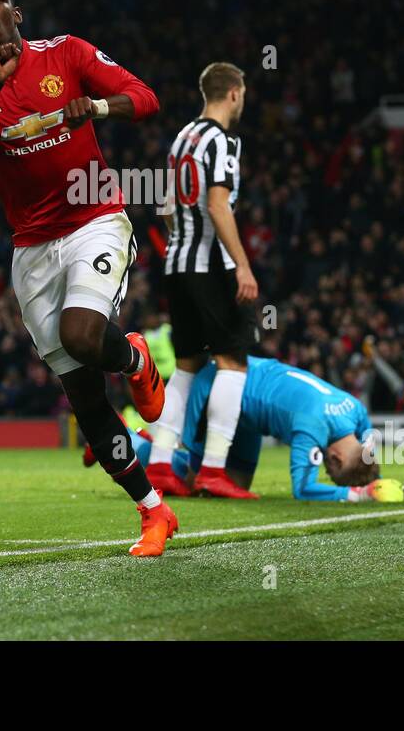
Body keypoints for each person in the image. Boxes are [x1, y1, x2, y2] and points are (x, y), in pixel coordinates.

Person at [0, 0, 177, 556]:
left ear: (16, 14)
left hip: (94, 220)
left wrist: (93, 106)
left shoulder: (66, 54)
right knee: (84, 396)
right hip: (32, 249)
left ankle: (134, 356)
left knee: (83, 335)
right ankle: (153, 513)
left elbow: (146, 98)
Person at [148, 62, 261, 499]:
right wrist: (242, 265)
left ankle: (159, 466)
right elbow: (218, 205)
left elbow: (165, 209)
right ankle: (213, 470)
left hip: (177, 264)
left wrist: (185, 245)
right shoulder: (224, 140)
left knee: (187, 367)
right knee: (233, 361)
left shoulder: (182, 138)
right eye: (244, 92)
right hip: (210, 267)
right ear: (234, 93)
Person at [136, 356, 404, 503]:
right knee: (193, 485)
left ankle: (155, 445)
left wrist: (386, 485)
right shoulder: (312, 429)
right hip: (220, 389)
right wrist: (357, 495)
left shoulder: (356, 412)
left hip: (250, 414)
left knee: (232, 486)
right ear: (336, 459)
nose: (326, 474)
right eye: (331, 473)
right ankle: (132, 443)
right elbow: (303, 490)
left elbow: (366, 454)